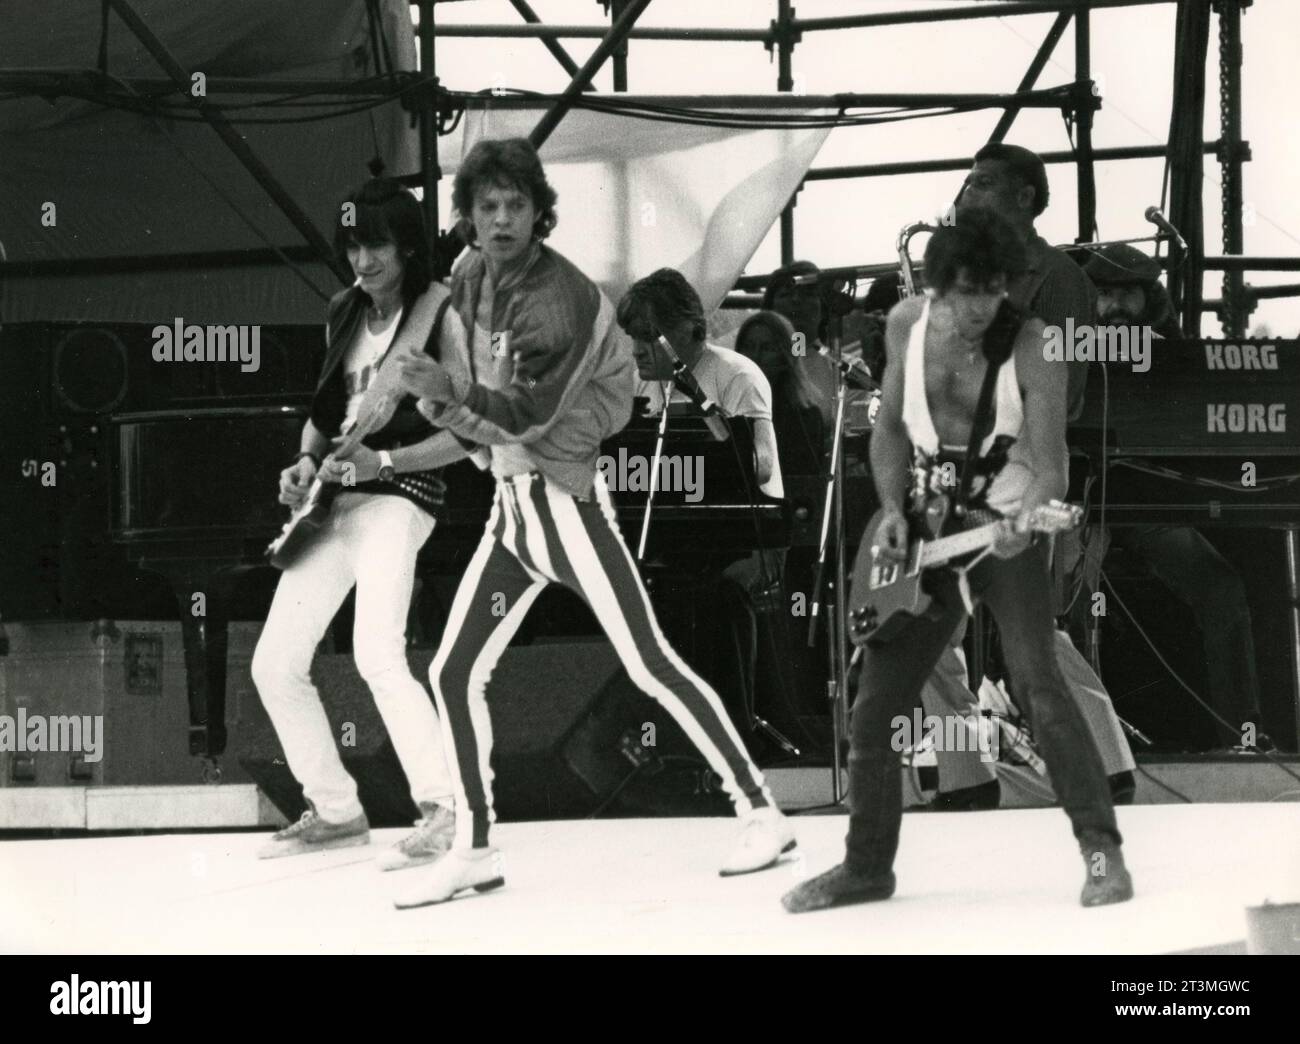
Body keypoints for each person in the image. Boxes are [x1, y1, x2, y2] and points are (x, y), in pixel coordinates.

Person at [391, 138, 795, 908]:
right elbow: (487, 408)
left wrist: (445, 394)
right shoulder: (472, 275)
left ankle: (761, 810)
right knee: (451, 669)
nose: (502, 219)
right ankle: (474, 846)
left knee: (649, 662)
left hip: (563, 502)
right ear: (469, 217)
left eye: (516, 205)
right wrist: (444, 398)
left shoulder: (564, 297)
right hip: (514, 512)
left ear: (540, 213)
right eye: (487, 206)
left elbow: (526, 415)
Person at [782, 208, 1133, 912]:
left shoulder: (1033, 344)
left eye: (994, 289)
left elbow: (1051, 469)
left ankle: (1103, 853)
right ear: (936, 286)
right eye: (966, 291)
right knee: (875, 708)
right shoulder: (904, 325)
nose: (981, 307)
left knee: (1039, 686)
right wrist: (887, 509)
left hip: (1002, 526)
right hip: (923, 529)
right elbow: (885, 431)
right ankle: (866, 867)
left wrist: (1020, 521)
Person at [253, 177, 468, 869]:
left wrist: (386, 462)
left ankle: (444, 808)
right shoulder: (342, 310)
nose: (363, 259)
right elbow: (325, 415)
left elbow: (468, 435)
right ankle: (338, 810)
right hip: (336, 501)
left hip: (402, 497)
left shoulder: (441, 313)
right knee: (275, 663)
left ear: (408, 246)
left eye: (376, 245)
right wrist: (302, 465)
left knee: (378, 651)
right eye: (352, 246)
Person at [914, 144, 1135, 810]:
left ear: (1023, 199)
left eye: (982, 184)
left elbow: (1058, 393)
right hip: (959, 468)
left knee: (1024, 632)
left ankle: (1101, 763)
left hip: (1021, 467)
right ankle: (967, 777)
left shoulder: (1057, 278)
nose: (967, 194)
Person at [1082, 244, 1272, 752]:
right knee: (1068, 602)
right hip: (1075, 505)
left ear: (1149, 298)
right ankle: (1077, 737)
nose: (1116, 305)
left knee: (1221, 587)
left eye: (1127, 293)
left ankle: (1242, 735)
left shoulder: (1172, 348)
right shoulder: (1064, 346)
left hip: (1143, 508)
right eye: (1105, 294)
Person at [619, 268, 783, 498]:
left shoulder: (739, 376)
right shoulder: (637, 382)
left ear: (686, 330)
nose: (637, 351)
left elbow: (761, 466)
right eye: (632, 337)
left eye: (647, 337)